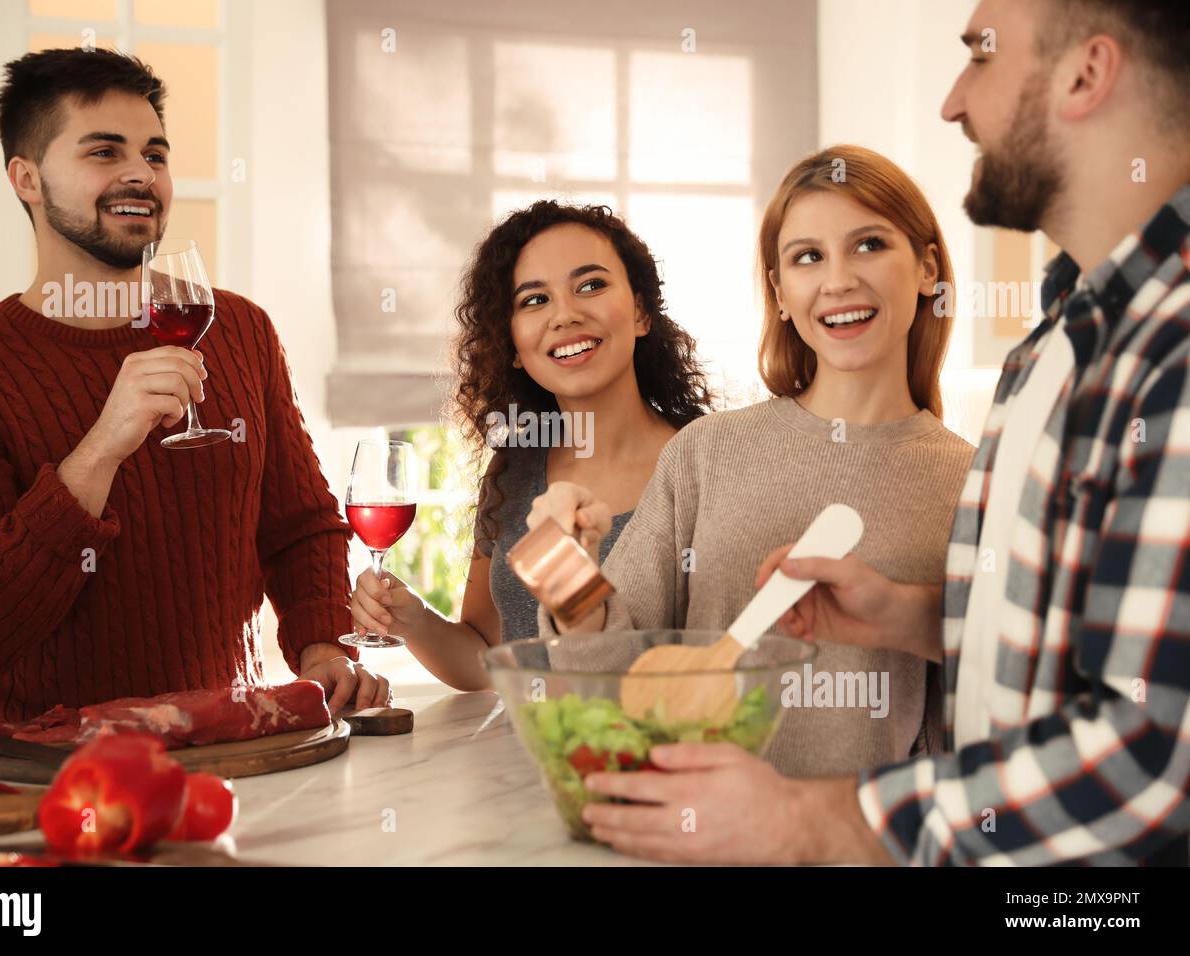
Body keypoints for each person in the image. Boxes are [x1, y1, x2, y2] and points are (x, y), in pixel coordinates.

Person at [579, 0, 1190, 865]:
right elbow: (1049, 662)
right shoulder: (1053, 349)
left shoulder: (1163, 352)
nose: (950, 101)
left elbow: (1153, 755)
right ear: (779, 290)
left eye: (980, 54)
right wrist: (911, 616)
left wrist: (802, 822)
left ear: (1086, 74)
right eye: (805, 258)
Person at [0, 49, 388, 721]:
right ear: (27, 179)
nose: (140, 174)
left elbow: (298, 528)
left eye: (155, 154)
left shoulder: (238, 330)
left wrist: (324, 648)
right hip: (60, 781)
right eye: (104, 152)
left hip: (237, 748)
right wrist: (99, 453)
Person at [529, 146, 974, 777]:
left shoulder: (973, 482)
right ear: (781, 292)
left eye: (869, 244)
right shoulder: (707, 452)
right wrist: (564, 566)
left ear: (928, 267)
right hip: (692, 832)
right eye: (807, 257)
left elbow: (986, 705)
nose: (838, 279)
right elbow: (603, 665)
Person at [347, 201, 711, 689]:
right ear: (513, 347)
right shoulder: (513, 470)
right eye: (534, 300)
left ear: (642, 312)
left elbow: (725, 659)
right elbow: (488, 655)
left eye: (591, 285)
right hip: (522, 758)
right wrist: (411, 618)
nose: (565, 314)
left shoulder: (705, 466)